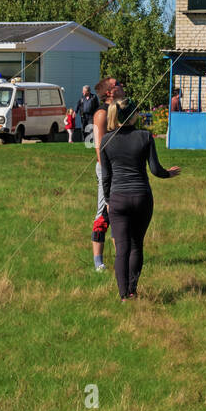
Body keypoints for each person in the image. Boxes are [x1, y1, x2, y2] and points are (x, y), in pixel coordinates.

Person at [100, 96, 180, 302]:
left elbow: (106, 176)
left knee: (122, 248)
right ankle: (133, 290)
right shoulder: (145, 136)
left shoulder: (106, 140)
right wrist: (169, 174)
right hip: (142, 197)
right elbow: (155, 169)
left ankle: (123, 295)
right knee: (136, 246)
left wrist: (108, 201)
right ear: (133, 115)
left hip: (118, 199)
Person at [90, 77, 120, 271]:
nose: (121, 86)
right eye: (117, 84)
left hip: (121, 167)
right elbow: (99, 147)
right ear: (109, 92)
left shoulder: (121, 110)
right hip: (107, 169)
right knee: (104, 212)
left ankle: (121, 257)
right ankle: (98, 262)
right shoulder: (101, 114)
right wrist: (106, 174)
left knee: (119, 212)